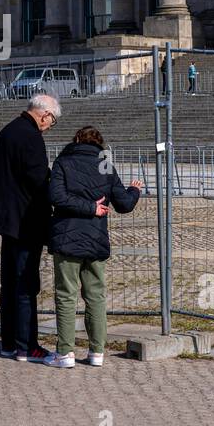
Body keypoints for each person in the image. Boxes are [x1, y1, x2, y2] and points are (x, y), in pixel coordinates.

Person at [44, 127, 142, 369]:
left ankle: (65, 353)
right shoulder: (105, 164)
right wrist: (135, 190)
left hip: (67, 238)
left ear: (76, 140)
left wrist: (87, 206)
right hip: (96, 239)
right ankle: (97, 351)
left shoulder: (64, 161)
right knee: (95, 296)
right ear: (100, 145)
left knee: (66, 296)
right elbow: (124, 204)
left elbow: (55, 196)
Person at [0, 93, 59, 363]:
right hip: (26, 220)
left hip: (7, 219)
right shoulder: (31, 136)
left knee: (9, 282)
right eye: (52, 121)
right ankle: (27, 347)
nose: (50, 126)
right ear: (44, 114)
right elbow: (38, 180)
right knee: (26, 283)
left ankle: (9, 343)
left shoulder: (9, 130)